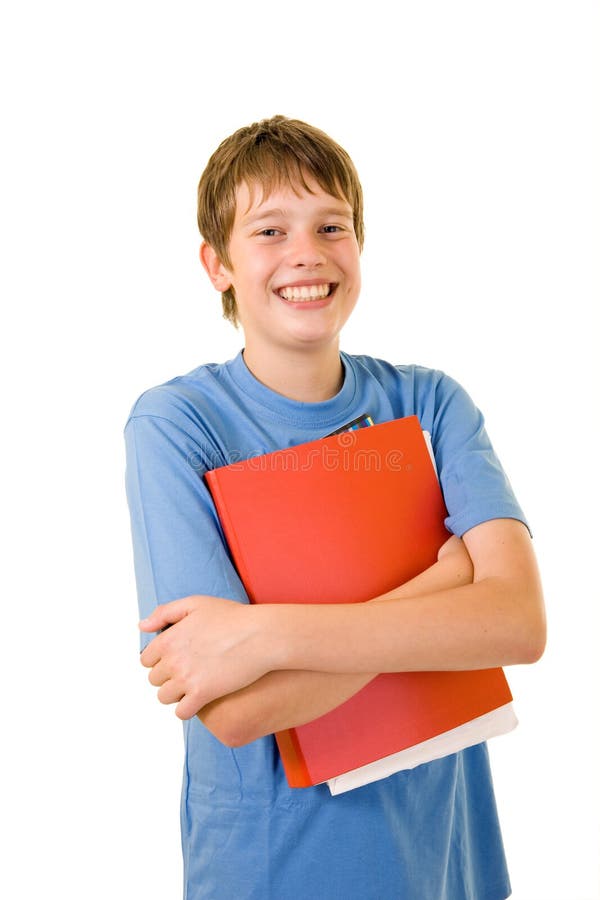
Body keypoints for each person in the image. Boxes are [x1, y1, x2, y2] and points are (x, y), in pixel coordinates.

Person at [124, 115, 546, 899]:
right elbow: (238, 709)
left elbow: (519, 623)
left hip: (445, 862)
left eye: (331, 226)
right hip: (276, 868)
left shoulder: (429, 404)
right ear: (217, 264)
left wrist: (264, 632)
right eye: (269, 230)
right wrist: (444, 586)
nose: (307, 253)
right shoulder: (179, 425)